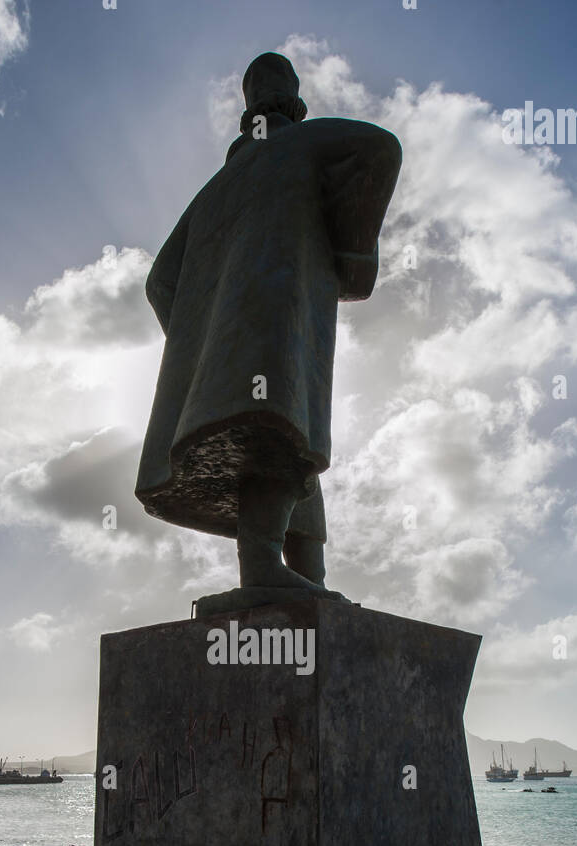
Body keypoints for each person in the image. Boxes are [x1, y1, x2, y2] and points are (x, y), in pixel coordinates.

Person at [135, 51, 401, 599]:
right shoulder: (303, 142)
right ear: (294, 100)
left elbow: (160, 282)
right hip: (280, 327)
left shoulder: (212, 193)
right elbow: (381, 147)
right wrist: (352, 256)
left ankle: (305, 576)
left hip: (237, 351)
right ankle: (262, 570)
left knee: (293, 446)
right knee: (279, 437)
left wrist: (202, 344)